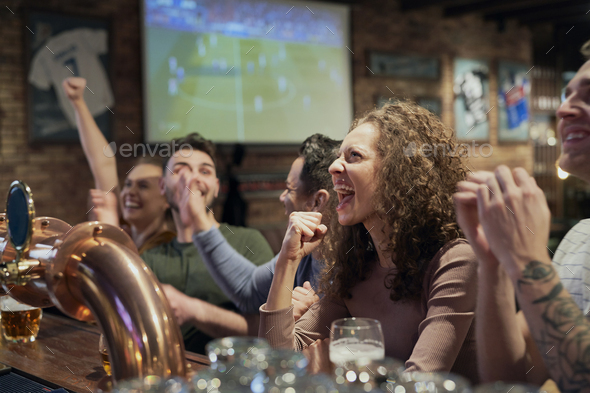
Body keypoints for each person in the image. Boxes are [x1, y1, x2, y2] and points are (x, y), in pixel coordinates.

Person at [258, 101, 480, 382]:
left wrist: (336, 377)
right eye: (338, 157)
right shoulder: (355, 265)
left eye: (354, 156)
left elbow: (419, 385)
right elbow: (278, 363)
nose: (334, 167)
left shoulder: (455, 261)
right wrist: (287, 262)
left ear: (398, 173)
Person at [454, 41, 590, 391]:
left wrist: (527, 259)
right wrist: (493, 266)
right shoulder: (579, 239)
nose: (563, 111)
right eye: (567, 95)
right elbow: (515, 377)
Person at [140, 132, 275, 353]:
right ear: (162, 186)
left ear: (215, 186)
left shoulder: (248, 241)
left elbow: (268, 329)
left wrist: (192, 310)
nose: (193, 178)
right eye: (182, 169)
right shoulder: (150, 257)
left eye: (204, 171)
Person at [184, 134, 340, 315]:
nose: (282, 197)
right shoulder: (303, 251)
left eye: (289, 189)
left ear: (317, 202)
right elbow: (250, 291)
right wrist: (199, 218)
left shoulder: (356, 264)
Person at [62, 77, 174, 253]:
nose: (130, 192)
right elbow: (103, 162)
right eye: (128, 184)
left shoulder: (170, 248)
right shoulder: (122, 226)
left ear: (166, 198)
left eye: (143, 186)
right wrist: (78, 102)